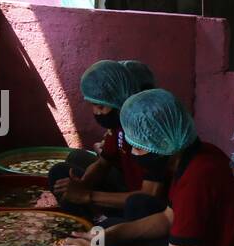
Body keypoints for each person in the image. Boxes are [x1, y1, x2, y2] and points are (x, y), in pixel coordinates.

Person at [55, 89, 234, 246]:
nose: (134, 153)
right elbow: (167, 218)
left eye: (139, 147)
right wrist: (110, 235)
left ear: (164, 142)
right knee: (108, 231)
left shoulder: (199, 177)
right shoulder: (197, 155)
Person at [50, 60, 169, 217]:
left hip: (143, 206)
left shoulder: (149, 131)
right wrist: (82, 184)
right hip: (128, 185)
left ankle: (100, 223)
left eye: (101, 106)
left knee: (134, 209)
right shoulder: (120, 123)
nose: (97, 112)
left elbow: (147, 198)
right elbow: (103, 162)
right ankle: (86, 221)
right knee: (62, 172)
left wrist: (88, 196)